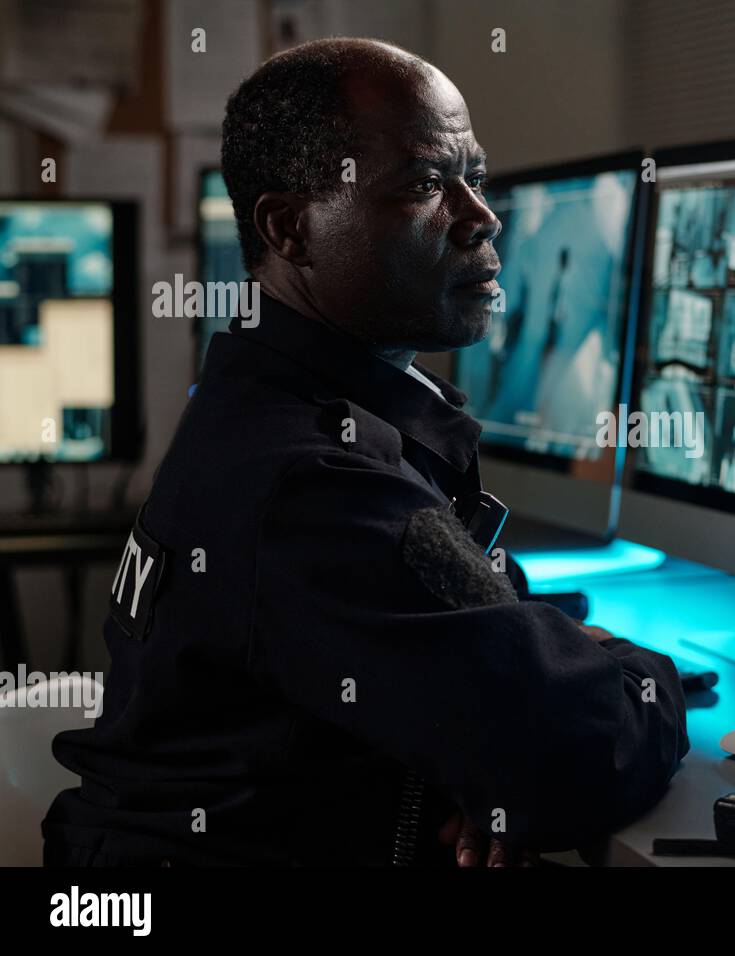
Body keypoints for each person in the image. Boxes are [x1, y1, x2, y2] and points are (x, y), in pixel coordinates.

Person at [42, 38, 689, 868]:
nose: (481, 215)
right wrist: (638, 675)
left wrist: (499, 731)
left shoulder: (296, 410)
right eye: (424, 185)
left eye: (475, 179)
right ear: (290, 227)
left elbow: (489, 646)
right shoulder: (309, 479)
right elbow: (575, 741)